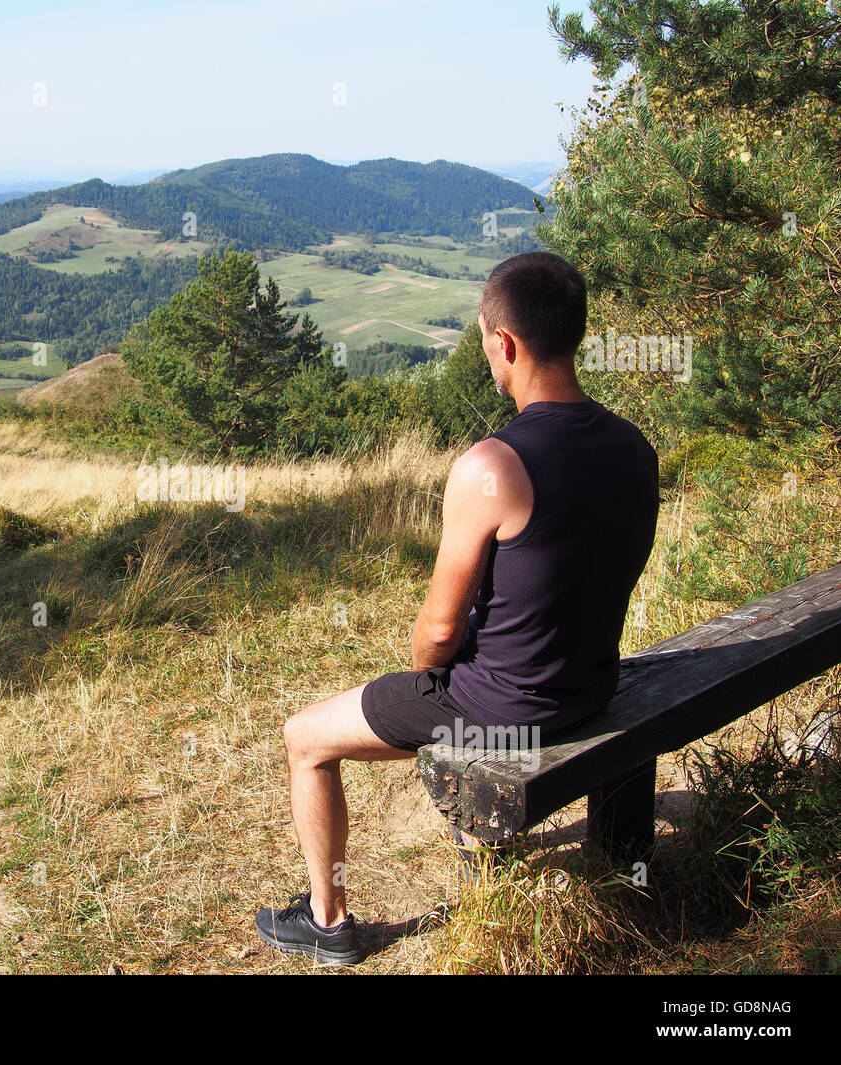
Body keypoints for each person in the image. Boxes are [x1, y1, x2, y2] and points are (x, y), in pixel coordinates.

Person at [254, 251, 660, 965]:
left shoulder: (492, 466)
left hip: (501, 707)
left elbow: (438, 631)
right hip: (591, 688)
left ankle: (327, 920)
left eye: (482, 337)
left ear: (504, 343)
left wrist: (426, 681)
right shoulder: (635, 446)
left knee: (303, 738)